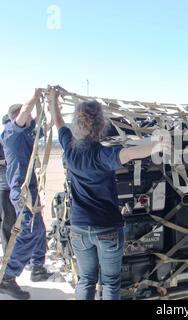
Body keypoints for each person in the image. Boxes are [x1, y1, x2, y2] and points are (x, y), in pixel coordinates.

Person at [48, 87, 166, 300]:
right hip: (108, 228)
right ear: (101, 125)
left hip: (79, 228)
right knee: (111, 282)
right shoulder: (103, 155)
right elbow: (130, 153)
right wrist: (158, 145)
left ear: (78, 124)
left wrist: (54, 100)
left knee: (86, 280)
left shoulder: (70, 149)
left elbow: (59, 123)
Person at [0, 91, 53, 300]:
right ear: (17, 119)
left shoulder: (26, 133)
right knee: (31, 231)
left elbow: (43, 123)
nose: (31, 120)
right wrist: (35, 94)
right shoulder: (13, 132)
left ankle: (37, 268)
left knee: (38, 230)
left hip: (31, 189)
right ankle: (7, 277)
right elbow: (25, 111)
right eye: (28, 118)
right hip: (22, 192)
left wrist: (48, 101)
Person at [0, 120, 17, 254]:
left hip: (18, 187)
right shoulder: (2, 140)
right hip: (5, 187)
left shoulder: (18, 139)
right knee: (7, 221)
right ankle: (8, 252)